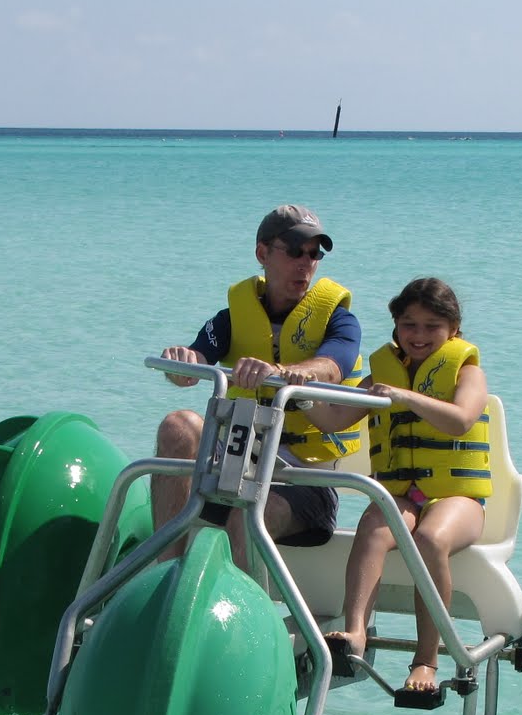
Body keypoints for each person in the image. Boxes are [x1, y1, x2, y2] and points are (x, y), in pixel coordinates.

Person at [155, 205, 365, 566]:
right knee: (178, 426)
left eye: (315, 254)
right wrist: (182, 364)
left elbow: (332, 367)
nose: (306, 263)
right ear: (262, 254)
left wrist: (283, 371)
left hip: (303, 486)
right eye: (295, 251)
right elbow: (192, 365)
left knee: (246, 513)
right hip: (235, 467)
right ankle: (164, 578)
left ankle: (235, 616)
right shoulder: (231, 318)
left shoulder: (339, 321)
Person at [325, 278, 492, 695]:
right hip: (403, 492)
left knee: (431, 540)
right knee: (373, 525)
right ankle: (354, 635)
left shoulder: (468, 371)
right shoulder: (384, 373)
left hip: (459, 498)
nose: (418, 336)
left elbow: (461, 420)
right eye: (408, 324)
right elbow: (332, 419)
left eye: (431, 326)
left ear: (453, 328)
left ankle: (427, 659)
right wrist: (292, 392)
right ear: (396, 326)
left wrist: (406, 398)